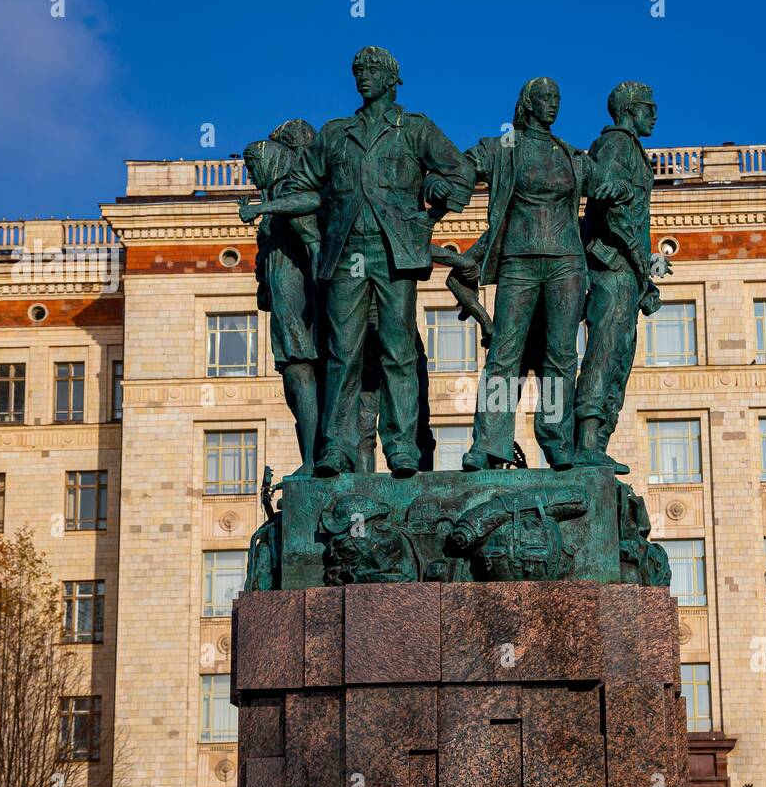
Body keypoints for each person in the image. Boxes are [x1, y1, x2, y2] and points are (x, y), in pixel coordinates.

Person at [286, 46, 474, 478]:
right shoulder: (336, 133)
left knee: (397, 352)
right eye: (357, 71)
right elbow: (301, 186)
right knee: (342, 352)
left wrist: (429, 210)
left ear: (392, 79)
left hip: (395, 255)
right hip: (347, 253)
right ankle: (334, 446)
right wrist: (315, 242)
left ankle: (402, 446)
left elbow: (460, 173)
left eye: (371, 70)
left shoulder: (414, 128)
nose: (362, 77)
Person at [460, 77, 631, 471]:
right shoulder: (505, 147)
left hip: (566, 264)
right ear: (527, 103)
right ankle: (489, 444)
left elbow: (607, 183)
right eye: (545, 98)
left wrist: (619, 185)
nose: (553, 104)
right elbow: (464, 167)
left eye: (557, 98)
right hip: (519, 261)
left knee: (560, 357)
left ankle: (557, 441)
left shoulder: (570, 155)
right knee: (505, 354)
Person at [574, 82, 667, 474]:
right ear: (629, 109)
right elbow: (611, 206)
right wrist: (639, 266)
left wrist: (644, 279)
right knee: (605, 353)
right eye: (649, 107)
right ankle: (587, 441)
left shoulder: (630, 148)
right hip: (611, 269)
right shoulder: (617, 145)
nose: (655, 114)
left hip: (626, 271)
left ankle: (598, 442)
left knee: (619, 357)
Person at [238, 122, 322, 472]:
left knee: (301, 370)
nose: (252, 177)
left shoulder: (290, 189)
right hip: (285, 299)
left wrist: (261, 210)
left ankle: (315, 458)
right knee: (294, 377)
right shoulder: (276, 196)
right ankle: (312, 457)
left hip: (300, 299)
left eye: (255, 168)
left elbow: (312, 221)